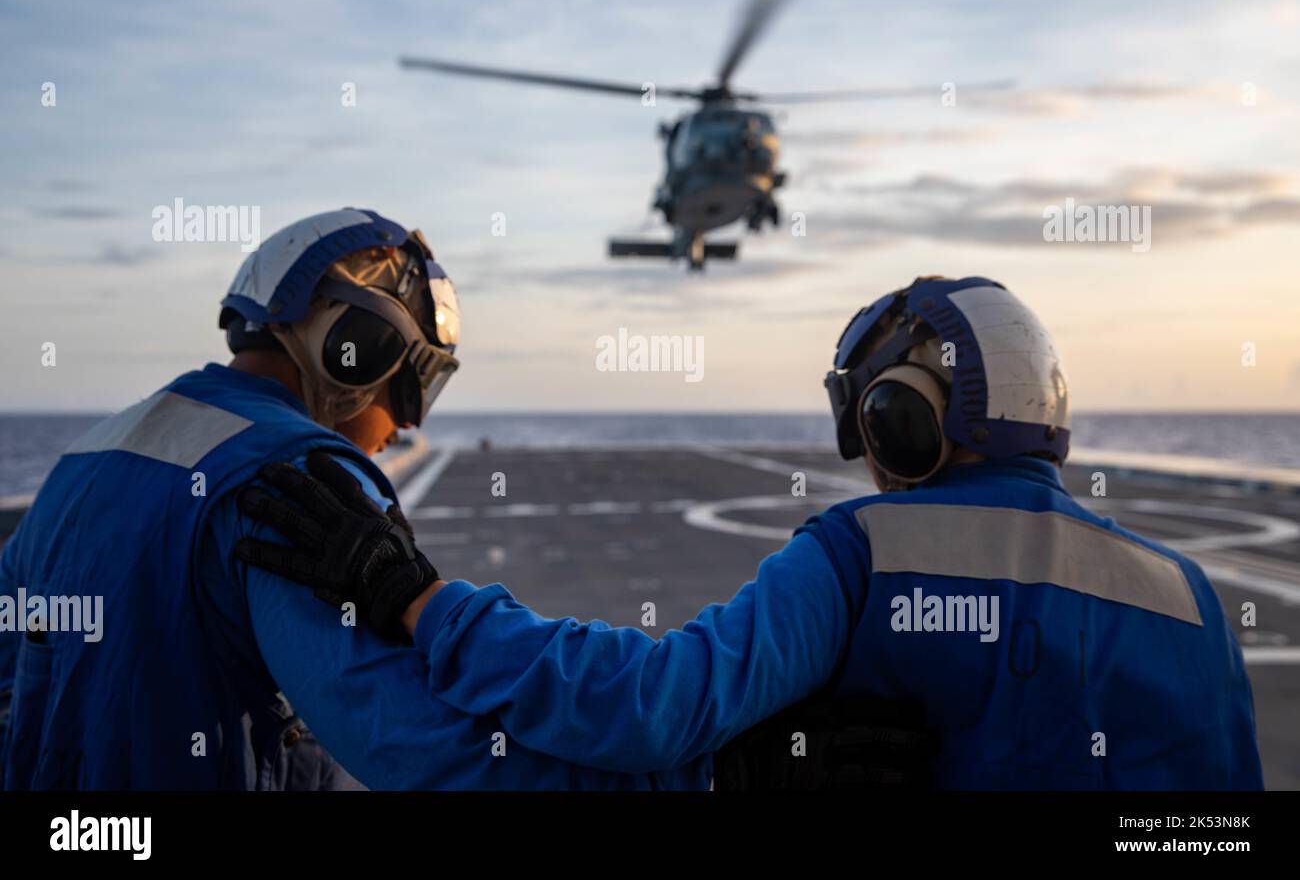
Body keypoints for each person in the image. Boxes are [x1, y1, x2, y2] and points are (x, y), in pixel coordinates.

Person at [238, 275, 1264, 789]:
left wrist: (419, 598)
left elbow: (647, 706)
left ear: (891, 418)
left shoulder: (864, 551)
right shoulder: (1189, 598)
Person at [0, 208, 714, 789]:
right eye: (416, 383)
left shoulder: (88, 455)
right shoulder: (300, 474)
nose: (407, 422)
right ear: (359, 346)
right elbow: (415, 750)